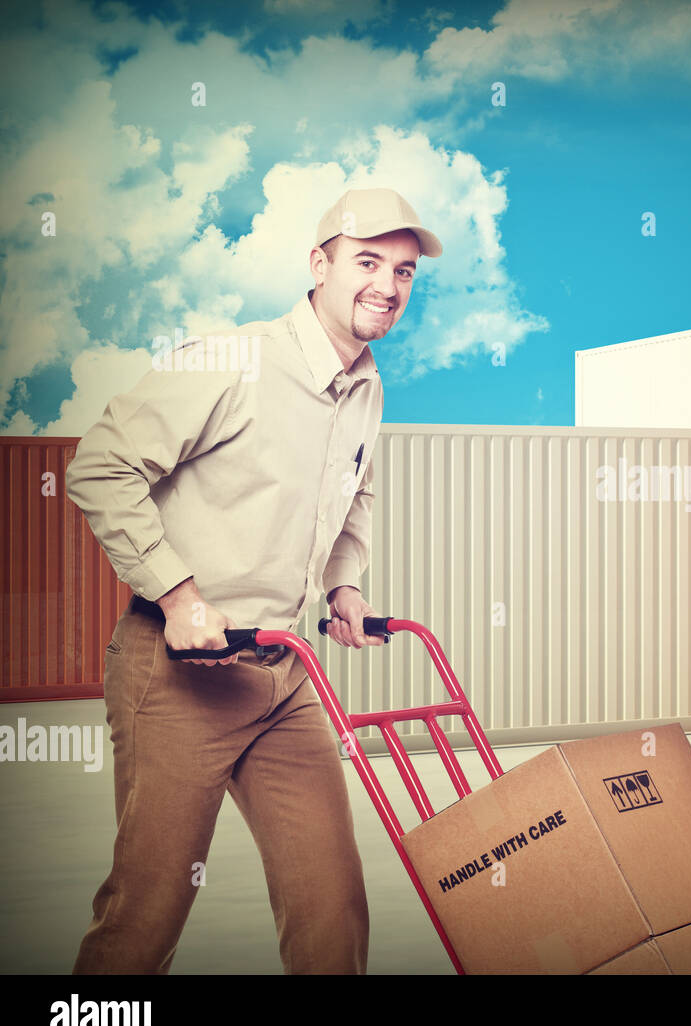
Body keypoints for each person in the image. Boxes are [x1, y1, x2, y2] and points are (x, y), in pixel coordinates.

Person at [64, 188, 442, 974]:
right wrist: (178, 595)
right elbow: (100, 466)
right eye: (367, 261)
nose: (388, 285)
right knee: (147, 912)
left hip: (282, 676)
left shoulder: (367, 386)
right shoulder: (233, 360)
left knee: (331, 906)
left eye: (404, 271)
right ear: (319, 264)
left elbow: (354, 496)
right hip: (180, 674)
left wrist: (344, 590)